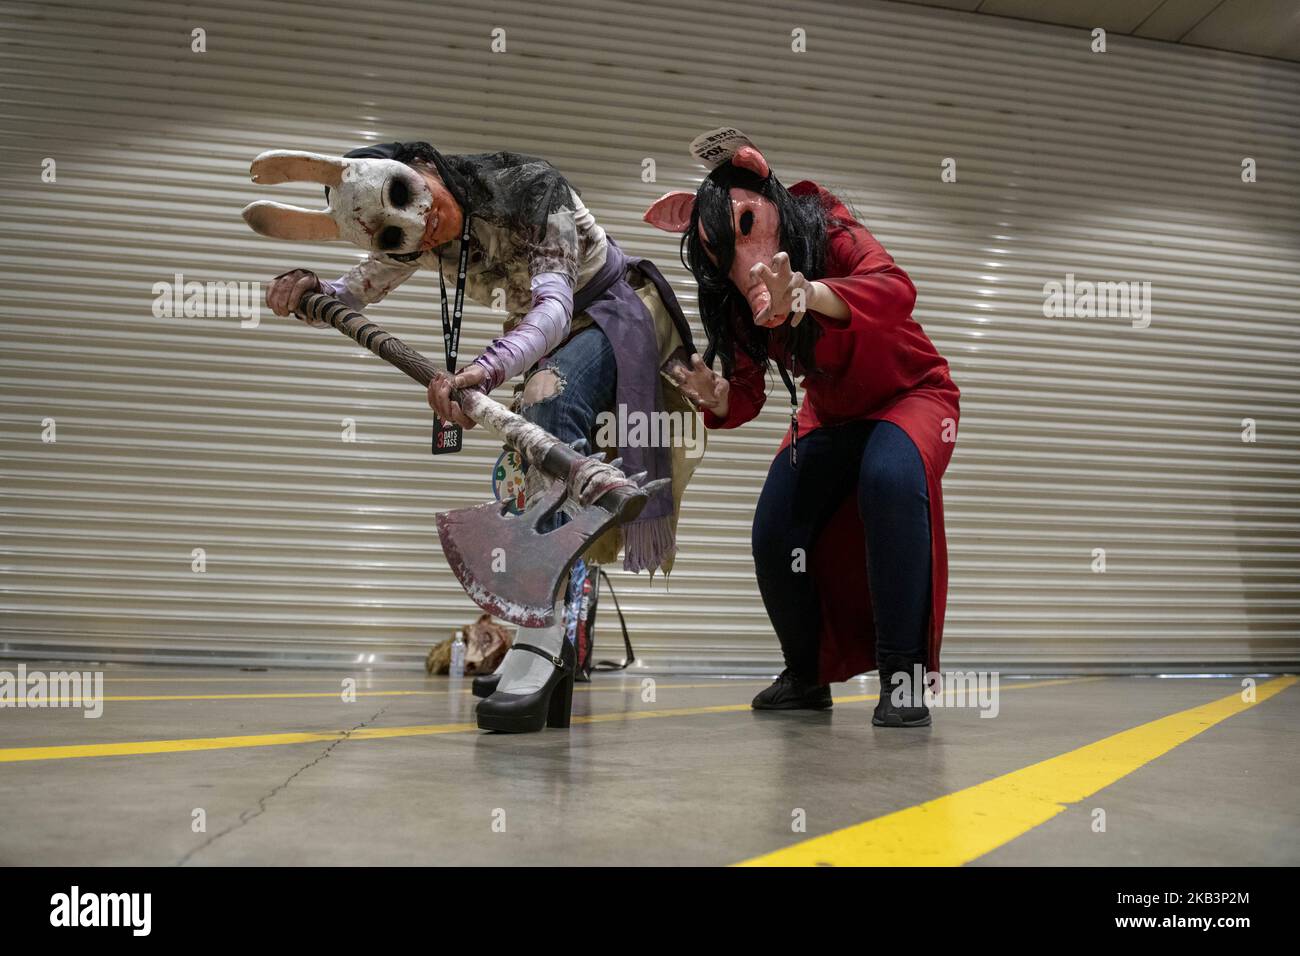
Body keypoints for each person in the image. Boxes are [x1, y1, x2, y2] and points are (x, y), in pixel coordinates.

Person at [243, 141, 701, 732]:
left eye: (419, 198)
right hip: (541, 335)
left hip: (612, 309)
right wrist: (305, 290)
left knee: (549, 403)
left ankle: (543, 639)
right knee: (529, 472)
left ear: (423, 168)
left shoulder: (530, 188)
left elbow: (557, 307)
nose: (425, 223)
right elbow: (351, 290)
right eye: (394, 234)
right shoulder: (409, 232)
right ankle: (550, 642)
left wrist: (487, 368)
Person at [644, 128, 959, 727]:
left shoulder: (829, 228)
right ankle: (806, 676)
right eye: (718, 254)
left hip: (912, 394)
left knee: (889, 479)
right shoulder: (739, 304)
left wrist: (812, 294)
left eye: (742, 228)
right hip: (831, 413)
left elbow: (897, 291)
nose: (741, 269)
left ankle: (905, 676)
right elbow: (745, 397)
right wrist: (714, 399)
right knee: (774, 529)